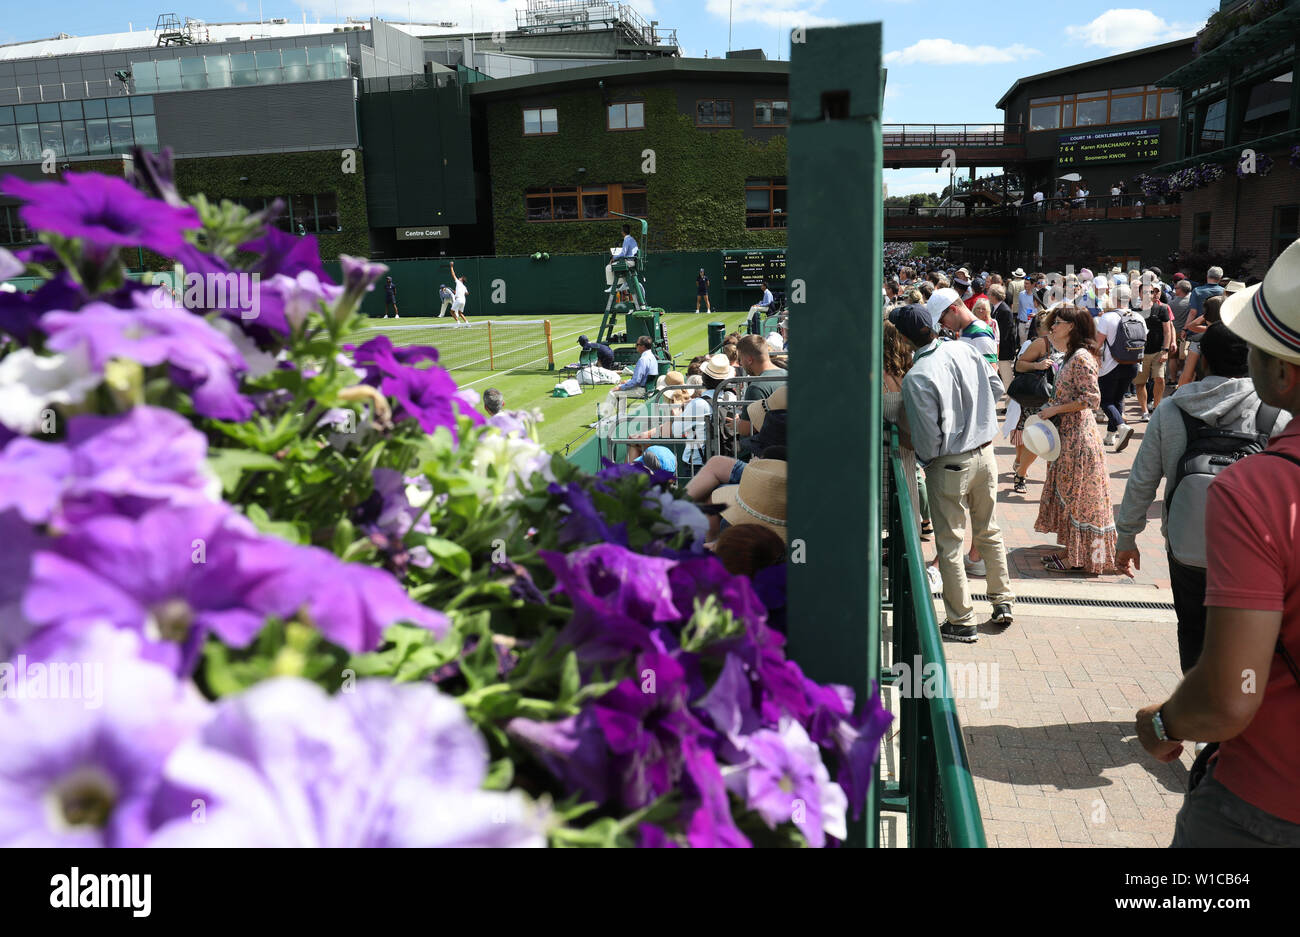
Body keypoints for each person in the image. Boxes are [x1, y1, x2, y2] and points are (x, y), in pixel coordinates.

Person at [1137, 238, 1300, 846]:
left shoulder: (1260, 487)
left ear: (1282, 371)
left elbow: (1233, 696)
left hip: (1267, 800)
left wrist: (1164, 721)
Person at [1117, 322, 1290, 672]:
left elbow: (1142, 480)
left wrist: (1127, 537)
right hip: (1254, 551)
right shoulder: (1276, 414)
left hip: (1186, 544)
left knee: (1193, 631)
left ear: (1204, 361)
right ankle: (1237, 711)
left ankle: (1195, 712)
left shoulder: (1171, 409)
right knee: (1247, 640)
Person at [892, 300, 1014, 642]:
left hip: (949, 462)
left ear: (903, 341)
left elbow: (927, 439)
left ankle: (962, 620)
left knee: (949, 544)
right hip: (984, 453)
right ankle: (1002, 601)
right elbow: (997, 388)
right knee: (989, 530)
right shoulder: (964, 348)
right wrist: (980, 422)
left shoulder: (917, 376)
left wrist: (931, 461)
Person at [1034, 305, 1117, 574]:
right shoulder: (1073, 355)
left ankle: (1080, 558)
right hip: (1069, 436)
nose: (1052, 328)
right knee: (1072, 496)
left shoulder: (1080, 357)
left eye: (1056, 323)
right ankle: (1075, 551)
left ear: (1071, 326)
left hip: (1079, 437)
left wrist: (1055, 409)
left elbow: (1091, 399)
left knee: (1081, 499)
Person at [1008, 307, 1063, 494]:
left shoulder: (1072, 344)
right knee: (1037, 439)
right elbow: (1019, 365)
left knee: (1057, 442)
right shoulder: (1042, 343)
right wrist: (1038, 365)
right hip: (1039, 399)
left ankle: (1052, 481)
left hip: (1062, 402)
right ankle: (1021, 473)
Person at [1094, 285, 1147, 450]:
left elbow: (1097, 344)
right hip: (1132, 364)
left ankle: (1121, 427)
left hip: (1110, 366)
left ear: (1113, 298)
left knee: (1105, 400)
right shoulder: (1139, 317)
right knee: (1118, 399)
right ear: (1129, 299)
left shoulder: (1107, 317)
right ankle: (1111, 436)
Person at [882, 319, 920, 530]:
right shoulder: (910, 375)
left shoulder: (873, 376)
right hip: (905, 455)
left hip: (881, 456)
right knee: (905, 515)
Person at [728, 334, 787, 436]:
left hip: (770, 447)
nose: (741, 363)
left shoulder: (756, 387)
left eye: (741, 359)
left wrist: (736, 424)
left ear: (749, 360)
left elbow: (747, 428)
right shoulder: (786, 374)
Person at [1135, 282, 1175, 420]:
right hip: (1139, 352)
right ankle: (1145, 411)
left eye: (1151, 292)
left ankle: (1157, 408)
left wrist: (1165, 350)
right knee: (1140, 383)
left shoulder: (1162, 309)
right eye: (1145, 292)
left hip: (1158, 351)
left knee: (1159, 379)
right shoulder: (1133, 309)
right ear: (1139, 294)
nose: (1148, 295)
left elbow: (1167, 330)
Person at [605, 223, 639, 294]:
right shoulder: (633, 239)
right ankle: (625, 283)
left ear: (622, 232)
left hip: (629, 261)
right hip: (633, 260)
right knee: (618, 266)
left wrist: (614, 258)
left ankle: (613, 286)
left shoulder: (626, 240)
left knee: (608, 267)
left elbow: (623, 254)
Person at [449, 261, 469, 327]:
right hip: (463, 300)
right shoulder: (464, 287)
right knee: (460, 313)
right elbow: (467, 293)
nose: (459, 278)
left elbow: (453, 274)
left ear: (461, 280)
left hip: (458, 300)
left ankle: (458, 323)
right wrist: (458, 292)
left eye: (460, 278)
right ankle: (467, 324)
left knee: (452, 312)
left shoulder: (458, 282)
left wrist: (451, 266)